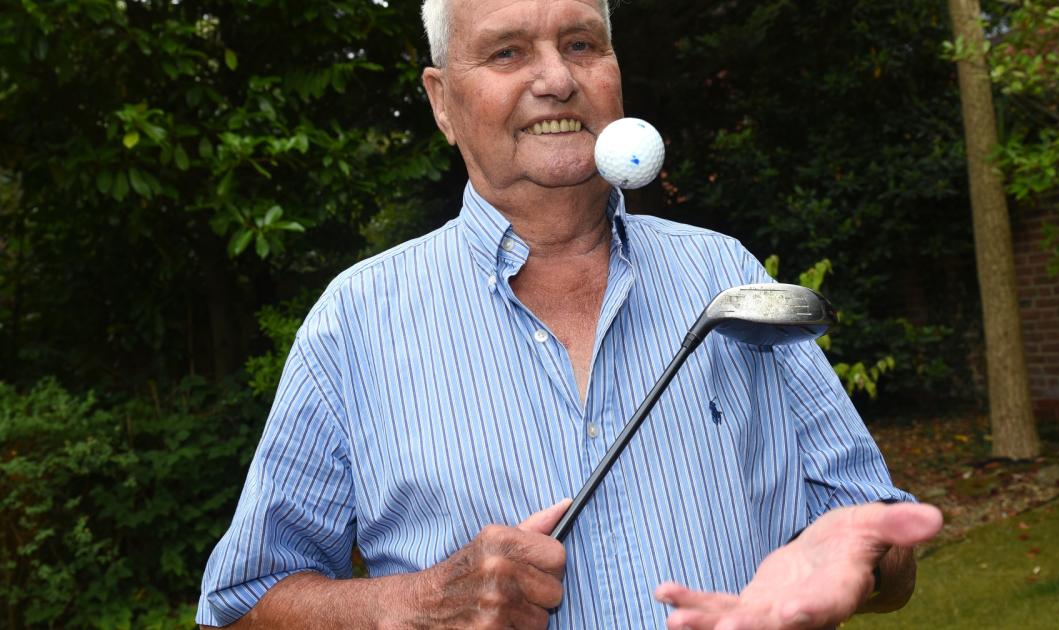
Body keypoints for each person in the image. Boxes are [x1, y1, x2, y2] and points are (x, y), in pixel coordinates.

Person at [196, 0, 943, 627]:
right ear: (441, 101)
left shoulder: (726, 274)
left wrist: (863, 556)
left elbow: (881, 541)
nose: (556, 80)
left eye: (581, 44)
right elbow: (241, 605)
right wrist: (417, 604)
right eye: (508, 53)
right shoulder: (354, 323)